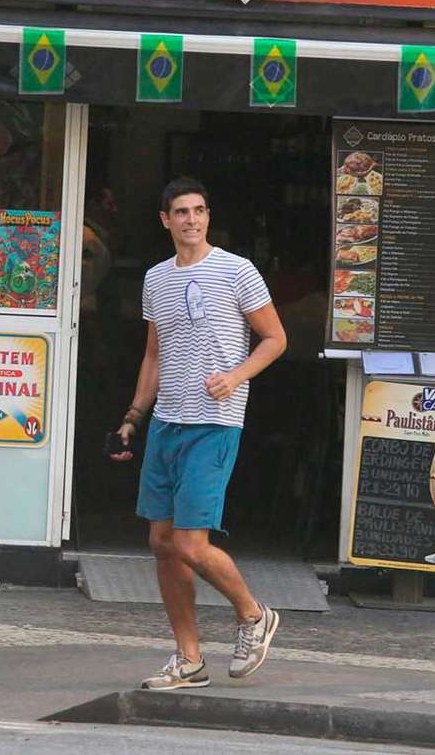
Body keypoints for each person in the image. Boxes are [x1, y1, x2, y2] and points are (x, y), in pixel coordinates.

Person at [111, 177, 287, 691]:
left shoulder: (237, 270)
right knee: (162, 542)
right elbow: (154, 354)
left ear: (209, 216)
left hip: (214, 422)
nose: (192, 220)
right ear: (165, 220)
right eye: (181, 212)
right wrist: (132, 417)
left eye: (200, 210)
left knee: (190, 542)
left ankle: (254, 615)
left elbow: (276, 338)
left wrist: (235, 376)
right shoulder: (156, 279)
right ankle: (189, 659)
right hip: (167, 420)